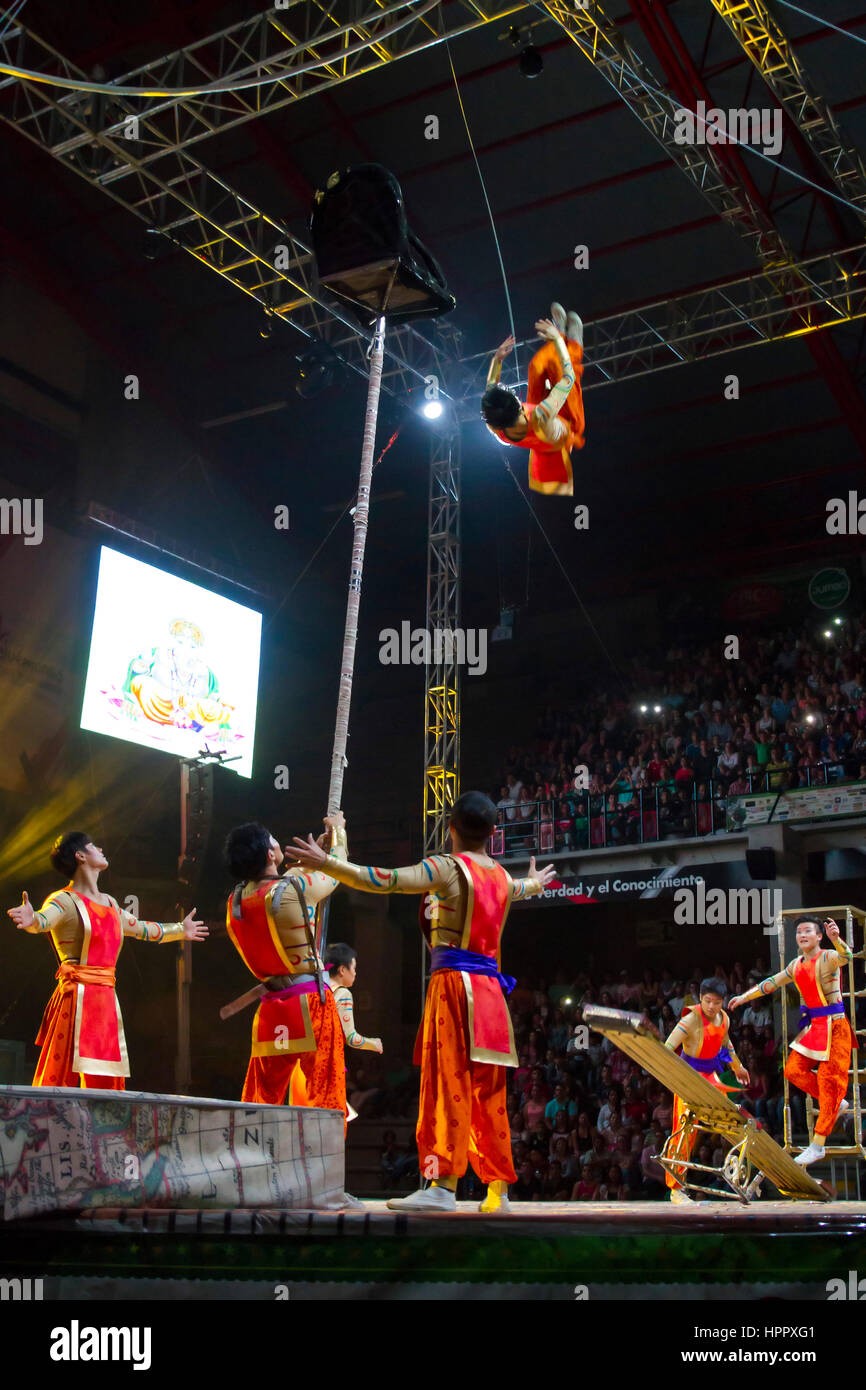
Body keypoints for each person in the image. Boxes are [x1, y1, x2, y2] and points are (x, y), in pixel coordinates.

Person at [289, 790, 555, 1214]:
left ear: (451, 826)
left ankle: (441, 1185)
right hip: (491, 997)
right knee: (489, 1092)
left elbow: (386, 879)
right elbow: (521, 888)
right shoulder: (502, 878)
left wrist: (330, 864)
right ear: (492, 833)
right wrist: (537, 884)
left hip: (453, 988)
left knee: (446, 1084)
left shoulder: (447, 868)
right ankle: (497, 1191)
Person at [6, 831, 207, 1088]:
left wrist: (180, 929)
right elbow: (43, 920)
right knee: (65, 1078)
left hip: (105, 1003)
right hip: (75, 1000)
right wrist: (31, 919)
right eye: (93, 846)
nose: (101, 848)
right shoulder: (63, 901)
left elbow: (142, 929)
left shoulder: (111, 904)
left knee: (106, 1078)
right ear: (80, 856)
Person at [221, 812, 349, 1117]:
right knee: (326, 1096)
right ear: (269, 853)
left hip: (271, 1010)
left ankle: (253, 1156)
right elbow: (337, 872)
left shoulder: (235, 901)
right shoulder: (293, 889)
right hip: (309, 1003)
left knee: (260, 1101)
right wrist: (339, 835)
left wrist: (315, 855)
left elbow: (283, 889)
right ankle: (325, 1159)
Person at [729, 916, 855, 1165]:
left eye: (808, 931)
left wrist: (836, 939)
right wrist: (744, 997)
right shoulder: (796, 965)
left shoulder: (828, 956)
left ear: (819, 936)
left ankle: (818, 1145)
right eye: (799, 932)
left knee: (830, 1082)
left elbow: (847, 958)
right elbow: (771, 983)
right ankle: (835, 1102)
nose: (802, 935)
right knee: (793, 1070)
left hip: (836, 1026)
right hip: (815, 1028)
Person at [481, 303, 585, 496]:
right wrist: (557, 340)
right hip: (564, 425)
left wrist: (497, 360)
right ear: (520, 408)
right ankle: (570, 337)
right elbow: (568, 378)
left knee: (536, 367)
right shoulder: (540, 416)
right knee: (559, 367)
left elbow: (490, 389)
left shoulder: (495, 424)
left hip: (538, 421)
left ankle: (560, 331)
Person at [663, 977, 749, 1204]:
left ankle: (740, 1178)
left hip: (711, 1078)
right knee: (684, 1132)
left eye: (717, 1002)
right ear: (700, 999)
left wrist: (738, 1067)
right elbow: (668, 1048)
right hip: (689, 1078)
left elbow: (726, 1044)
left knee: (731, 1121)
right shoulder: (691, 1019)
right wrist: (673, 1075)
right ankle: (676, 1189)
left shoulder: (724, 1018)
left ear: (723, 1002)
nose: (712, 1006)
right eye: (708, 1001)